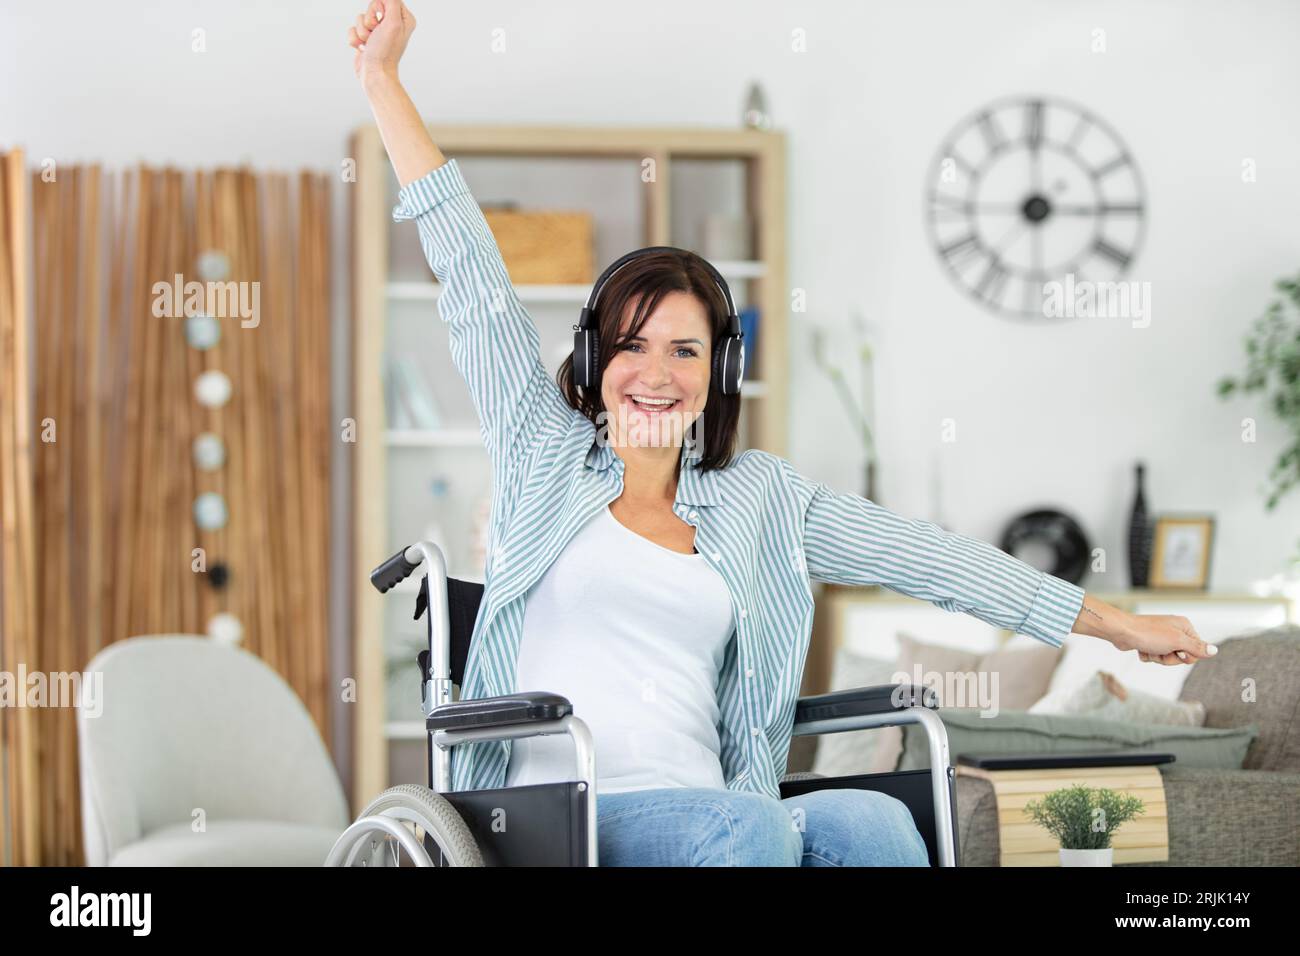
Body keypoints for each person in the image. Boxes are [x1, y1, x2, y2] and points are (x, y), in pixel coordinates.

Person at [348, 0, 1217, 867]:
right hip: (561, 821)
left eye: (684, 350)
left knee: (874, 823)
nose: (656, 373)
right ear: (595, 358)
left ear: (718, 373)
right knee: (751, 830)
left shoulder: (759, 497)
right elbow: (473, 278)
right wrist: (384, 80)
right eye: (632, 345)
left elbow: (932, 560)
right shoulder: (542, 451)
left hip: (720, 812)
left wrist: (1116, 624)